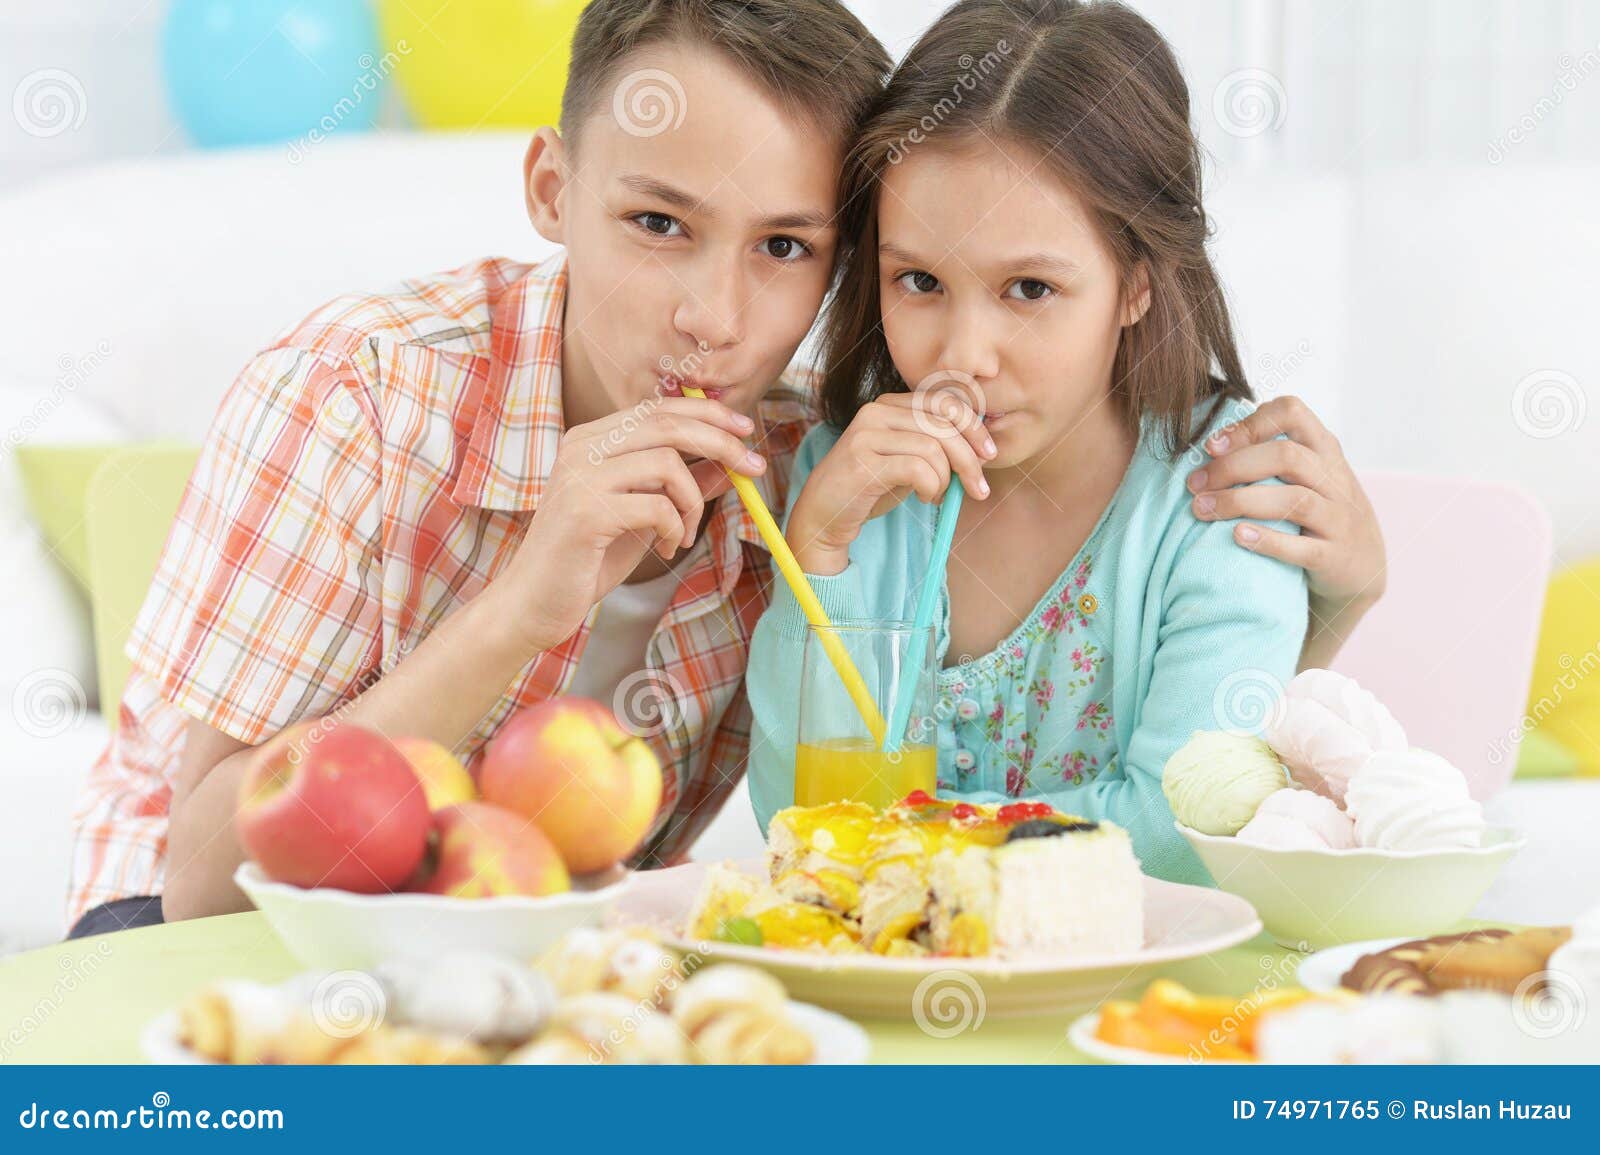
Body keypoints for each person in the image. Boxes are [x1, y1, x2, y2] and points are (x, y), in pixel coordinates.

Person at [66, 0, 891, 933]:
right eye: (658, 223)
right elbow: (204, 882)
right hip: (198, 931)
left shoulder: (804, 464)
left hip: (531, 941)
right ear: (551, 189)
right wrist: (522, 609)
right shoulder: (354, 393)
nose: (714, 318)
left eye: (784, 247)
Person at [744, 0, 1384, 884]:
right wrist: (816, 551)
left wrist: (895, 841)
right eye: (919, 280)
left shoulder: (1223, 498)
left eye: (1031, 289)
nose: (964, 356)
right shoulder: (852, 486)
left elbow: (1179, 836)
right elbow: (793, 825)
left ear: (1137, 283)